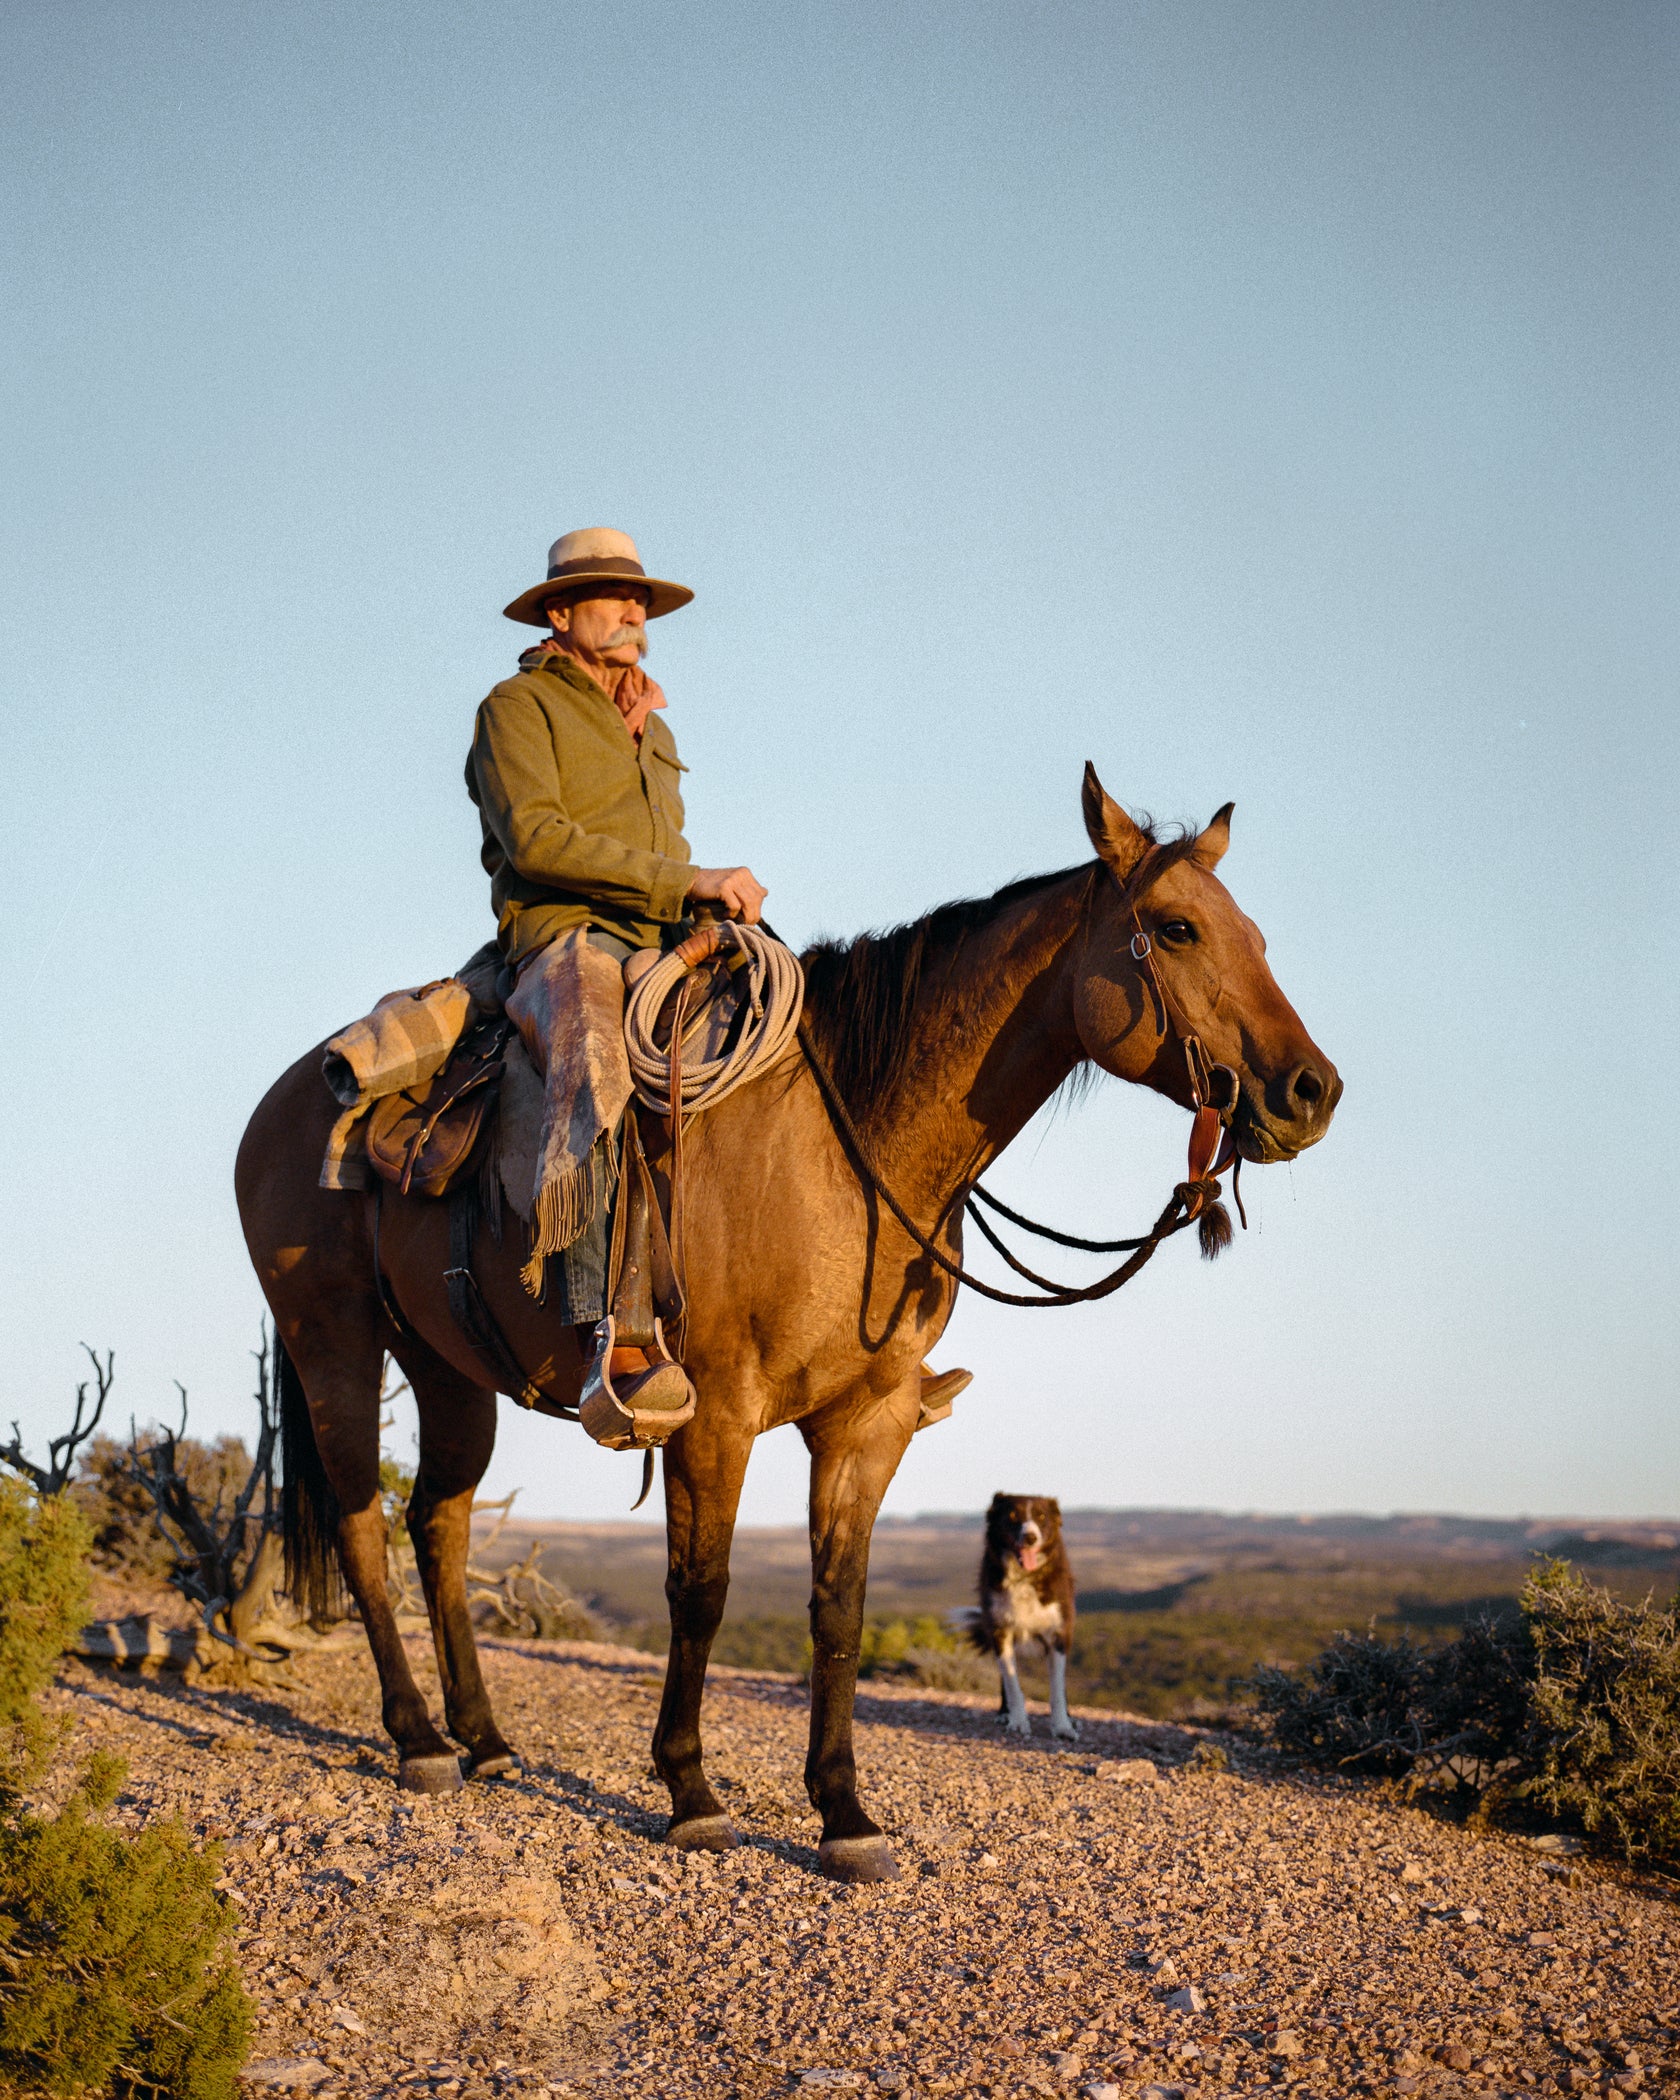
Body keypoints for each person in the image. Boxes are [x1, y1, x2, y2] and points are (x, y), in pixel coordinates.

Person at [469, 527, 969, 1423]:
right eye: (618, 598)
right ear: (559, 612)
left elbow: (666, 848)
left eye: (643, 601)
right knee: (598, 1066)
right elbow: (537, 841)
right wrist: (688, 882)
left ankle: (861, 1340)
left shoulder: (650, 727)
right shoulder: (517, 709)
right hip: (567, 940)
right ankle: (610, 1336)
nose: (637, 612)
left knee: (807, 1040)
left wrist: (706, 908)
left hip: (665, 939)